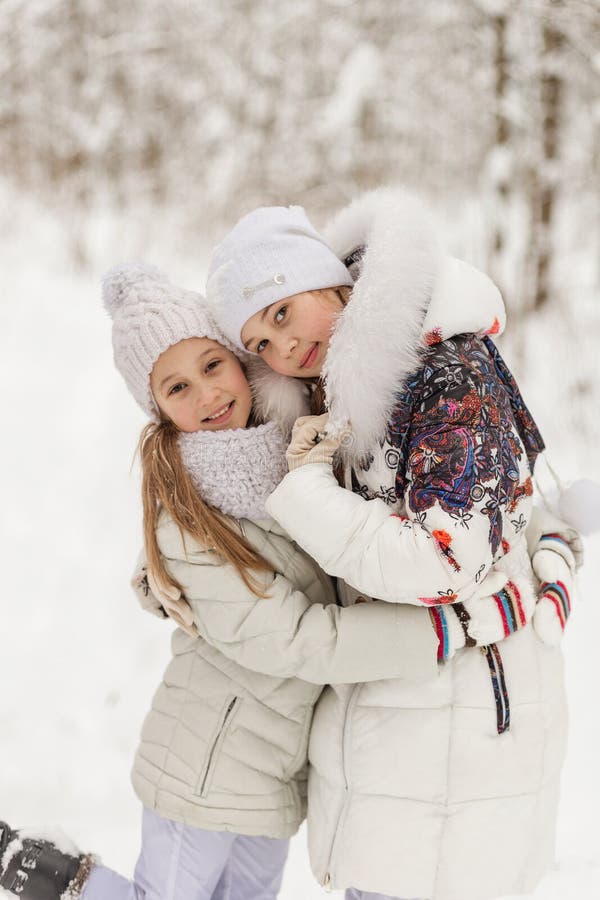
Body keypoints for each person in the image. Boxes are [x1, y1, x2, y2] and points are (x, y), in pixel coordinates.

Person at [0, 263, 531, 900]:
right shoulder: (190, 514)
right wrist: (446, 629)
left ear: (238, 360)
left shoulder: (295, 450)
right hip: (204, 765)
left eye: (212, 366)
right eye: (176, 388)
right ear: (157, 410)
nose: (206, 396)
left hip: (277, 775)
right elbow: (298, 638)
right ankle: (47, 874)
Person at [206, 189, 580, 900]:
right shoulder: (330, 392)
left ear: (332, 280)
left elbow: (446, 560)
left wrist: (308, 488)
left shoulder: (448, 380)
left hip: (459, 732)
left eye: (283, 310)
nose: (281, 346)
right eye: (258, 341)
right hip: (388, 724)